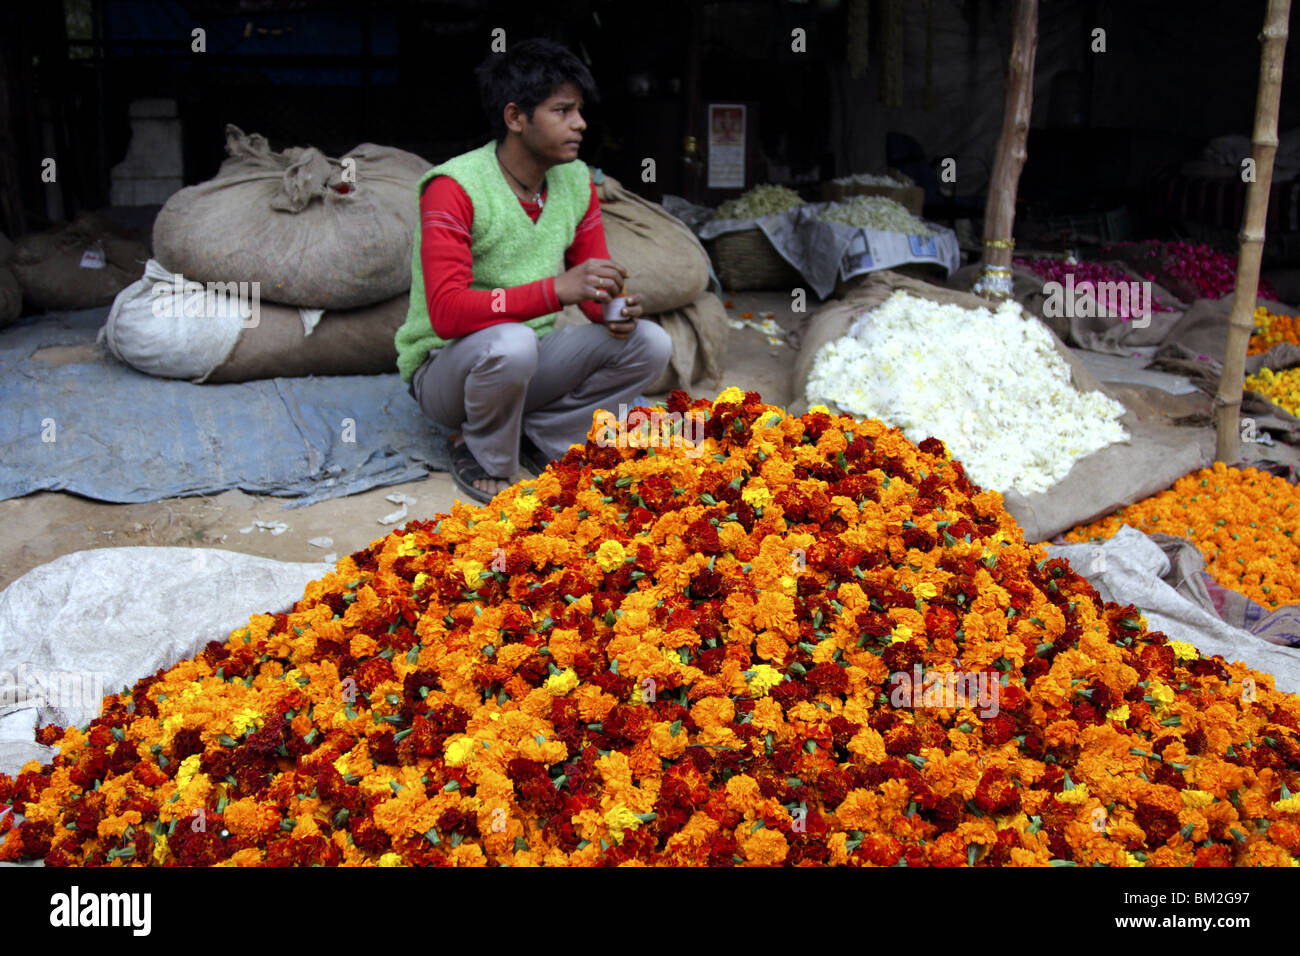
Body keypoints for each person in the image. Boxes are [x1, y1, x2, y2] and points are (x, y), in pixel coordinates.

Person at [395, 37, 672, 503]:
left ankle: (541, 432)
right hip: (447, 369)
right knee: (513, 341)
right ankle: (482, 451)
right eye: (562, 111)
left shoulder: (575, 180)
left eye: (580, 110)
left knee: (650, 342)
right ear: (515, 118)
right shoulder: (453, 187)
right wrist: (556, 290)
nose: (580, 124)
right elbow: (445, 312)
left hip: (527, 355)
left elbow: (591, 285)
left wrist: (610, 310)